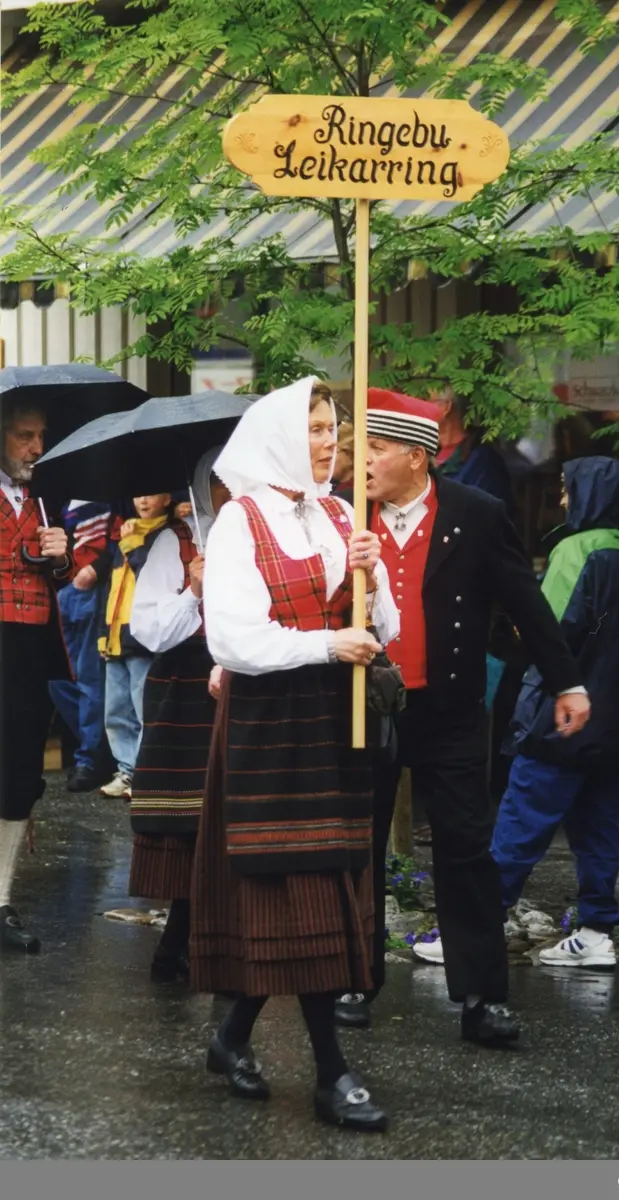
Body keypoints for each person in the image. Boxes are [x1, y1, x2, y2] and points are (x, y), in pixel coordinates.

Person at [334, 389, 588, 1043]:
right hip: (367, 704)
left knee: (465, 849)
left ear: (419, 457)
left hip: (449, 709)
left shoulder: (474, 514)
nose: (362, 461)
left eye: (378, 449)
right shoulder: (343, 518)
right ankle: (353, 977)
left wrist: (567, 682)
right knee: (356, 843)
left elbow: (524, 602)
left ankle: (481, 996)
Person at [192, 378, 399, 1132]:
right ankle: (332, 1075)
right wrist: (326, 642)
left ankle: (231, 1034)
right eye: (315, 429)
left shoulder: (342, 515)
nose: (329, 443)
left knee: (315, 888)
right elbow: (232, 641)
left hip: (332, 725)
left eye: (334, 430)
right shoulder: (240, 524)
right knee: (300, 881)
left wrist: (372, 581)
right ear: (280, 435)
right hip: (268, 727)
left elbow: (387, 626)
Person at [491, 457, 619, 969]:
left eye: (566, 490)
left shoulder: (572, 550)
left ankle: (476, 925)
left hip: (561, 717)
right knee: (598, 827)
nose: (561, 499)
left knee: (520, 822)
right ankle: (596, 930)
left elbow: (548, 633)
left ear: (584, 494)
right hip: (613, 718)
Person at [128, 450, 230, 982]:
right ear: (199, 486)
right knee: (190, 822)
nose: (230, 489)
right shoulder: (175, 542)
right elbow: (148, 632)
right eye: (218, 480)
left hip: (248, 681)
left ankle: (204, 942)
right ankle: (179, 941)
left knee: (235, 816)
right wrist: (193, 588)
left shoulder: (261, 539)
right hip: (185, 689)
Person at [0, 402, 72, 953]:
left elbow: (61, 577)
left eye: (40, 436)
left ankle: (0, 901)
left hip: (30, 647)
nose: (36, 448)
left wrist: (60, 557)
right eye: (25, 437)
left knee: (20, 775)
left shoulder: (46, 497)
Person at [98, 493, 174, 799]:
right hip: (116, 633)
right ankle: (126, 769)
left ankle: (143, 772)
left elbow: (152, 579)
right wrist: (103, 632)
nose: (143, 501)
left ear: (167, 499)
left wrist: (132, 546)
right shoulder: (125, 533)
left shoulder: (165, 535)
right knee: (115, 710)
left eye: (151, 495)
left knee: (144, 708)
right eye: (138, 495)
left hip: (141, 635)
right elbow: (112, 587)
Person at [49, 499, 113, 792]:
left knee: (90, 678)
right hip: (65, 588)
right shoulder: (64, 495)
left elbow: (123, 536)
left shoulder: (113, 492)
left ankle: (91, 759)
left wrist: (95, 570)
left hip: (94, 589)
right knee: (56, 680)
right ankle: (99, 749)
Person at [431, 384, 516, 514]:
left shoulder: (482, 459)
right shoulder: (427, 455)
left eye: (425, 401)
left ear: (446, 407)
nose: (419, 409)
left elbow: (488, 517)